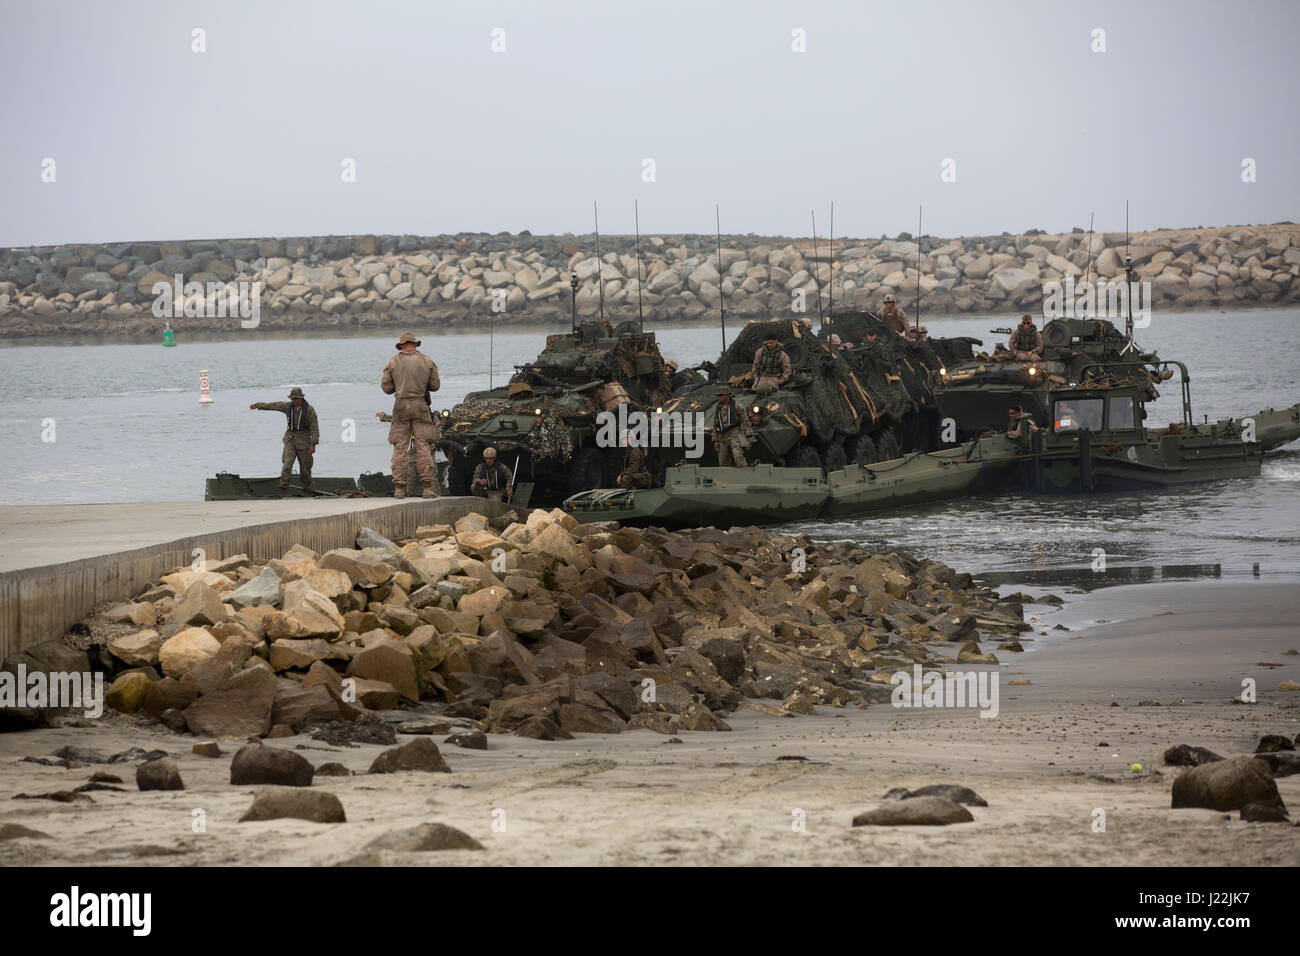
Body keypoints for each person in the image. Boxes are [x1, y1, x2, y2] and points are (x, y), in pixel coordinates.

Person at [381, 331, 440, 498]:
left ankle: (399, 488)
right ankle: (428, 487)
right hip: (421, 405)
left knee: (400, 448)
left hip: (400, 407)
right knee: (423, 446)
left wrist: (399, 385)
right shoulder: (427, 361)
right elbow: (435, 385)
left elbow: (386, 388)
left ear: (401, 345)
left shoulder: (393, 362)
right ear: (415, 344)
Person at [250, 387, 319, 498]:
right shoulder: (288, 407)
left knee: (305, 468)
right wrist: (258, 405)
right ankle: (283, 489)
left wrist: (313, 444)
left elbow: (315, 428)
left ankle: (307, 490)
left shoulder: (310, 410)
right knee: (287, 464)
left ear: (301, 398)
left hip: (304, 441)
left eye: (296, 398)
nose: (294, 401)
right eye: (293, 398)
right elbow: (273, 405)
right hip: (290, 439)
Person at [375, 411, 421, 497]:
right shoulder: (409, 418)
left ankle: (431, 493)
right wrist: (383, 416)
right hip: (414, 454)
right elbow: (394, 418)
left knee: (429, 476)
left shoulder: (426, 418)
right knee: (411, 476)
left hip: (424, 453)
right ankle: (409, 494)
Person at [713, 388, 753, 466]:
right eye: (718, 395)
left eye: (721, 395)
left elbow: (745, 421)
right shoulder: (718, 408)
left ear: (727, 395)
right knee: (723, 460)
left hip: (735, 433)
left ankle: (745, 474)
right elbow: (715, 424)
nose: (719, 397)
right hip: (722, 436)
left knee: (737, 455)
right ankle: (726, 477)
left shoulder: (737, 406)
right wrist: (716, 440)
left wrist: (749, 435)